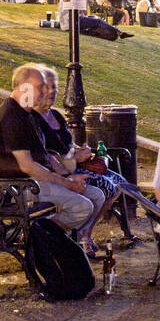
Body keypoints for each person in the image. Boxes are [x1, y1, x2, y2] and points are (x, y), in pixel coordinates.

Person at [0, 63, 105, 241]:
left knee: (96, 196)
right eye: (40, 87)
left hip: (37, 181)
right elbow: (28, 166)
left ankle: (64, 241)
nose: (44, 92)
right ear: (23, 87)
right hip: (19, 187)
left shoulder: (26, 114)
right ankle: (36, 235)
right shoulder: (11, 116)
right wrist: (67, 183)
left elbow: (46, 157)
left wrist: (67, 176)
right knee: (82, 207)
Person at [31, 66, 121, 257]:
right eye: (46, 88)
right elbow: (48, 157)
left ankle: (86, 231)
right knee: (102, 188)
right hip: (64, 172)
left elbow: (69, 143)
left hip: (77, 166)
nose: (51, 92)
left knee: (120, 183)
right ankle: (82, 235)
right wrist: (73, 158)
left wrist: (81, 150)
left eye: (54, 88)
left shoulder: (55, 115)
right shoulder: (33, 120)